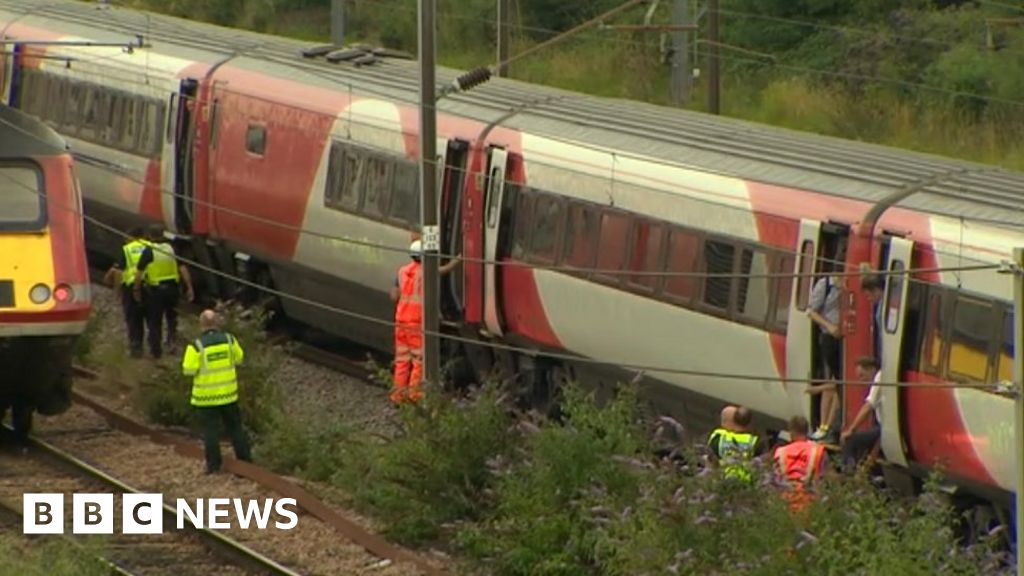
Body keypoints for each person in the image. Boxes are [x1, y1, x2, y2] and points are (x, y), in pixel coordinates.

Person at [388, 240, 461, 404]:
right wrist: (459, 259)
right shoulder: (426, 272)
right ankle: (415, 397)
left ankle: (397, 396)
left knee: (402, 361)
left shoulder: (402, 271)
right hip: (416, 323)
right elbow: (446, 269)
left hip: (400, 321)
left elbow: (393, 296)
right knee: (419, 361)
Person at [181, 309, 251, 474]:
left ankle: (213, 466)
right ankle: (246, 462)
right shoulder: (229, 340)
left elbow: (188, 370)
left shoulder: (196, 345)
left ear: (202, 325)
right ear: (217, 324)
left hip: (206, 399)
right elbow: (239, 359)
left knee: (211, 432)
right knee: (235, 428)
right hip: (229, 395)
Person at [134, 224, 195, 356]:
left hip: (155, 291)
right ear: (163, 234)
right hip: (172, 289)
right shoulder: (172, 249)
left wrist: (137, 290)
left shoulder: (148, 251)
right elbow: (183, 268)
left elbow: (139, 273)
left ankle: (156, 350)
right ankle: (171, 343)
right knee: (172, 318)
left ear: (150, 236)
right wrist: (189, 287)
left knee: (155, 321)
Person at [807, 252, 845, 441]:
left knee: (840, 382)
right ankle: (823, 425)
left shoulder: (849, 286)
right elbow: (811, 311)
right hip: (828, 338)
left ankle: (831, 425)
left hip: (845, 339)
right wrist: (829, 326)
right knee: (832, 380)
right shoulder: (826, 285)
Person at [104, 227, 149, 358]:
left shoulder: (127, 249)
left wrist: (117, 291)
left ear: (130, 237)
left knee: (133, 319)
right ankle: (154, 349)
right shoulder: (150, 247)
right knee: (151, 320)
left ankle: (136, 348)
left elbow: (119, 272)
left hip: (130, 287)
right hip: (149, 286)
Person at [773, 415, 827, 513]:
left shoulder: (780, 452)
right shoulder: (818, 451)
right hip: (810, 504)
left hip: (787, 504)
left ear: (791, 432)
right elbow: (824, 479)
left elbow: (776, 482)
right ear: (806, 431)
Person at [840, 356, 883, 473]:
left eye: (862, 376)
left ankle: (848, 473)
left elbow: (868, 406)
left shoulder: (880, 377)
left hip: (884, 429)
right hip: (881, 427)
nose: (861, 380)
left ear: (872, 369)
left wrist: (852, 429)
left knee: (850, 440)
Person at [707, 405, 766, 482]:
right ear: (750, 424)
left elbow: (710, 458)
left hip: (721, 481)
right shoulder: (755, 442)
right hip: (745, 485)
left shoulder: (718, 437)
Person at [862, 275, 884, 365]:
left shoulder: (886, 305)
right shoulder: (880, 305)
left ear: (876, 290)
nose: (869, 299)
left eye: (868, 295)